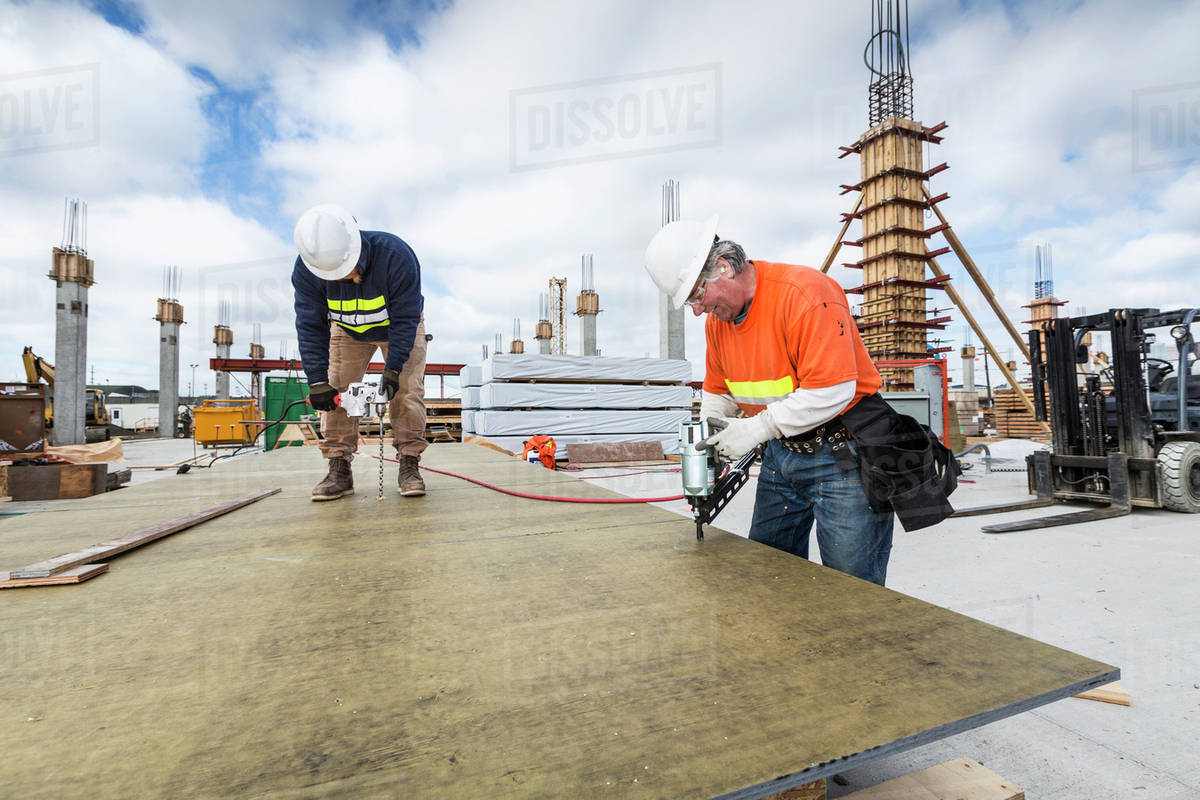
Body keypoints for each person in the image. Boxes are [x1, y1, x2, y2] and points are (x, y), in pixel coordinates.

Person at [644, 215, 896, 585]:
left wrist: (756, 428)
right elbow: (718, 392)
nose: (697, 310)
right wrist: (710, 443)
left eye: (698, 295)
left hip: (844, 459)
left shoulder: (806, 294)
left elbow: (833, 390)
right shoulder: (719, 322)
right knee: (769, 574)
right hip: (781, 456)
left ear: (724, 268)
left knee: (851, 590)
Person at [292, 204, 428, 501]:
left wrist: (393, 369)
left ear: (356, 247)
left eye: (347, 269)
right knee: (338, 389)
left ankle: (409, 463)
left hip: (398, 326)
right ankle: (338, 465)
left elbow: (406, 319)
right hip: (345, 329)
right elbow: (310, 325)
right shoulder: (307, 270)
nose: (346, 278)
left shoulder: (395, 256)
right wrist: (317, 381)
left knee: (407, 391)